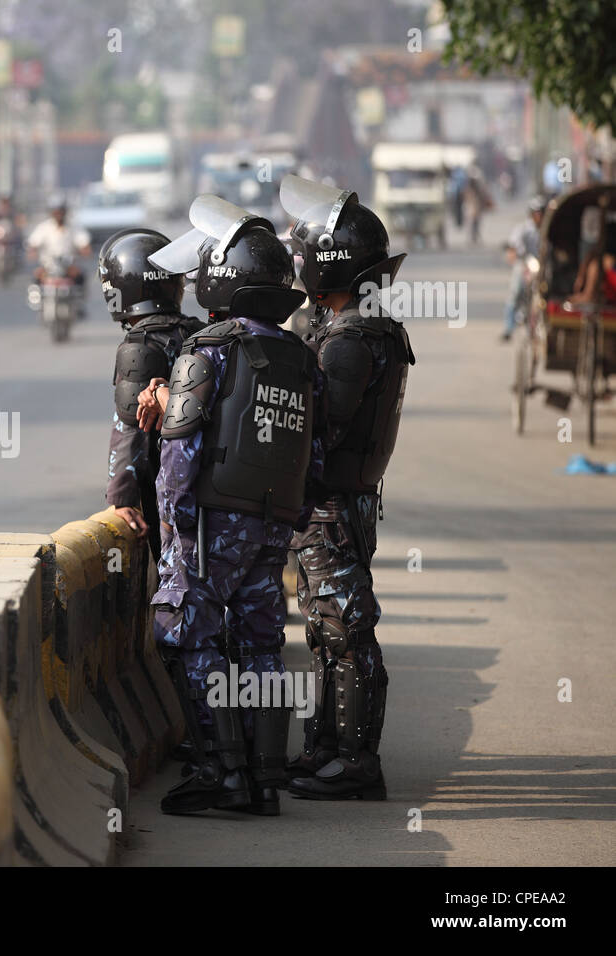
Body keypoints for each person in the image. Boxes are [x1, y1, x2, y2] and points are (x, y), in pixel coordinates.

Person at [135, 195, 325, 817]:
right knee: (263, 642)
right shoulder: (302, 359)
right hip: (275, 528)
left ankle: (223, 774)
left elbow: (178, 459)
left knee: (189, 634)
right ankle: (265, 779)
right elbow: (313, 457)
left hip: (211, 525)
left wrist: (175, 536)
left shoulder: (207, 351)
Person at [278, 174, 417, 800]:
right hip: (336, 503)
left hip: (331, 505)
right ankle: (327, 748)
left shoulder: (351, 338)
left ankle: (357, 764)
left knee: (345, 628)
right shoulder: (359, 322)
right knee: (324, 627)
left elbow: (321, 429)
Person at [100, 227, 206, 557]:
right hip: (216, 487)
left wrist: (121, 499)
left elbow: (131, 427)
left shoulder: (139, 348)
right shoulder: (200, 333)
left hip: (170, 493)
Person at [501, 196, 546, 341]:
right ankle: (508, 327)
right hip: (525, 264)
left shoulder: (548, 229)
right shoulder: (523, 229)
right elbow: (513, 246)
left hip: (542, 266)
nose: (538, 216)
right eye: (536, 213)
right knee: (515, 291)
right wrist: (514, 254)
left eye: (541, 213)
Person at [26, 195, 91, 291]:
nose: (59, 214)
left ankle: (78, 299)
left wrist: (84, 250)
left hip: (68, 266)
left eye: (61, 211)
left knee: (80, 276)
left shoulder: (74, 227)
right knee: (37, 276)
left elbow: (83, 242)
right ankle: (38, 299)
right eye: (56, 212)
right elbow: (33, 243)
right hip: (48, 266)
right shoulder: (44, 227)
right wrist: (32, 252)